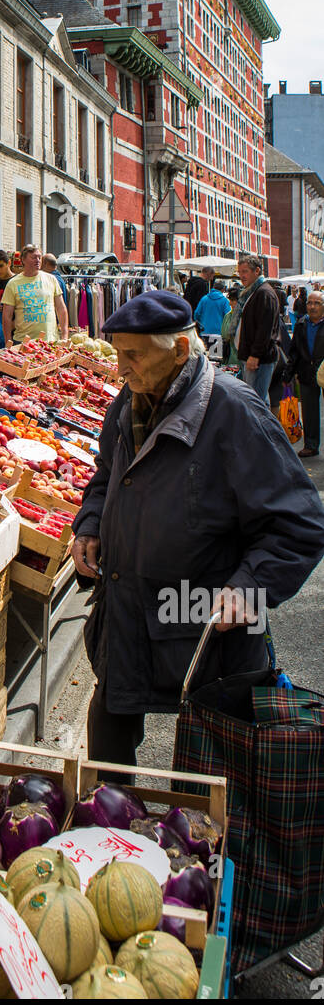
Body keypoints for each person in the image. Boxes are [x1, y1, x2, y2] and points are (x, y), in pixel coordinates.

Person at [69, 290, 324, 765]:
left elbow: (299, 523)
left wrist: (248, 588)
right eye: (118, 353)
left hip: (204, 625)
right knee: (106, 765)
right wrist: (90, 524)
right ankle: (106, 831)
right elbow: (107, 474)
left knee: (209, 783)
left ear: (181, 350)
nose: (120, 368)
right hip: (126, 615)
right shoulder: (128, 401)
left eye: (133, 355)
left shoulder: (234, 410)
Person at [231, 254, 281, 403]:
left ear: (257, 271)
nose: (241, 276)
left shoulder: (264, 293)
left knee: (256, 401)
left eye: (245, 271)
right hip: (251, 356)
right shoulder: (252, 292)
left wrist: (255, 355)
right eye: (240, 272)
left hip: (259, 359)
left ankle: (262, 427)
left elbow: (265, 329)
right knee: (258, 399)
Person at [1, 244, 67, 346]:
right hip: (23, 342)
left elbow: (61, 309)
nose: (38, 260)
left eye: (39, 257)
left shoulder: (51, 279)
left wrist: (65, 335)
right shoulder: (13, 283)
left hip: (50, 341)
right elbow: (7, 316)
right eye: (33, 257)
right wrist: (7, 342)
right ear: (23, 260)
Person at [285, 289, 324, 457]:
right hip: (306, 372)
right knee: (309, 411)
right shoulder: (301, 324)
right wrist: (288, 373)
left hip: (323, 372)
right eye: (310, 303)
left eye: (317, 303)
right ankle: (311, 444)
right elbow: (294, 352)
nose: (312, 306)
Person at [42, 254, 70, 338]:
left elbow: (59, 307)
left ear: (45, 264)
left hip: (54, 325)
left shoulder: (52, 280)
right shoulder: (60, 279)